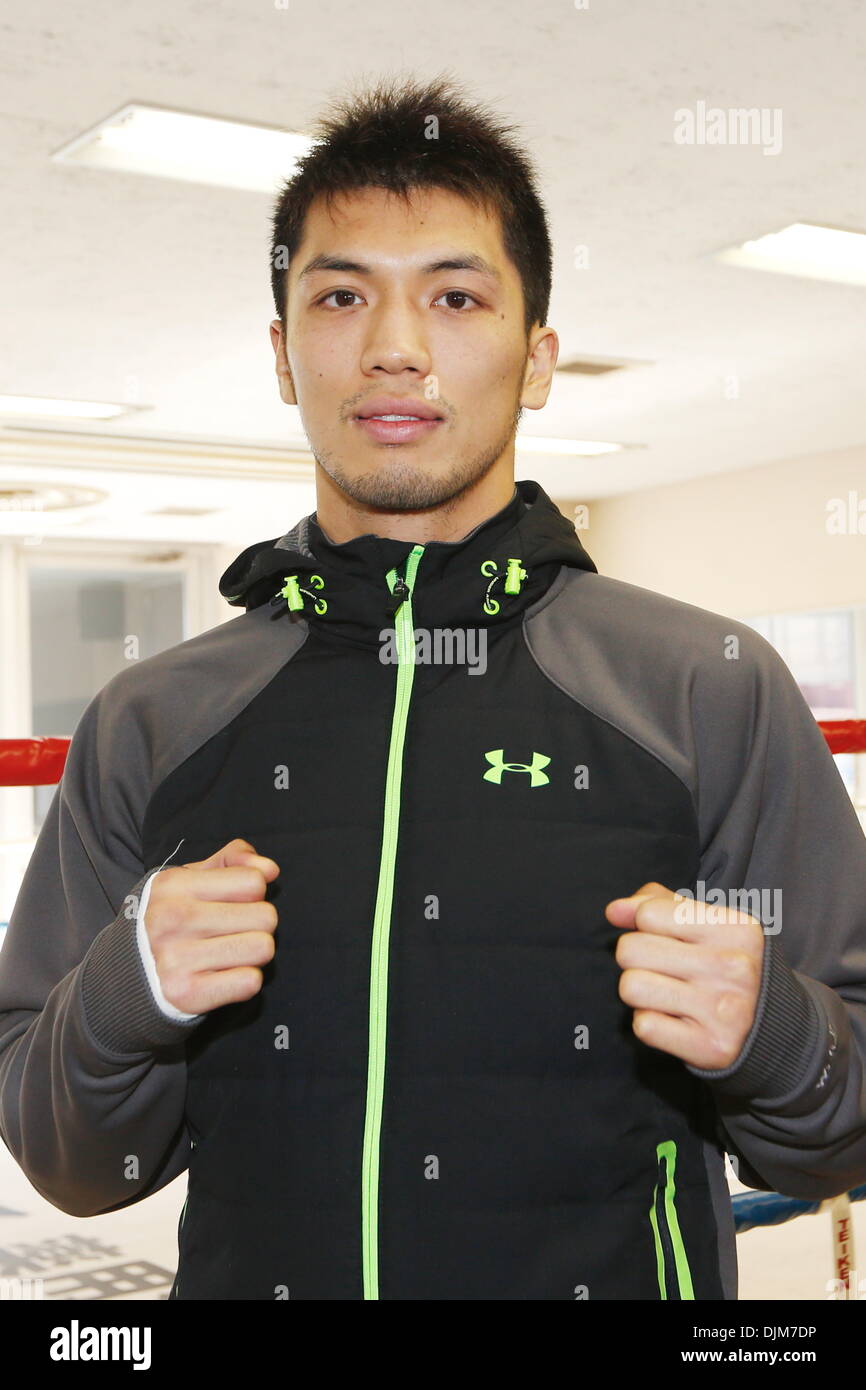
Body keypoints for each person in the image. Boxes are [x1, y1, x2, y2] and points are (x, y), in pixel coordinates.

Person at [2, 72, 866, 1302]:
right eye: (340, 295)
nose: (394, 348)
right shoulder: (153, 718)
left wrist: (773, 1032)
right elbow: (74, 1170)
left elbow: (836, 1140)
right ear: (283, 355)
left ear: (537, 358)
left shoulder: (704, 688)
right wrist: (120, 992)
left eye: (455, 296)